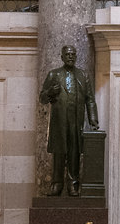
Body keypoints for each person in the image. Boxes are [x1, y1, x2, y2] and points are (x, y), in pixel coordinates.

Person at [40, 46, 99, 197]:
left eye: (73, 54)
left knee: (74, 153)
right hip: (59, 122)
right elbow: (42, 98)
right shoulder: (54, 74)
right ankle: (57, 184)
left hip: (76, 122)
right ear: (62, 57)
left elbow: (90, 100)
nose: (70, 57)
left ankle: (73, 184)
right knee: (59, 153)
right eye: (67, 55)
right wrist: (50, 92)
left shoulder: (83, 76)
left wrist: (93, 120)